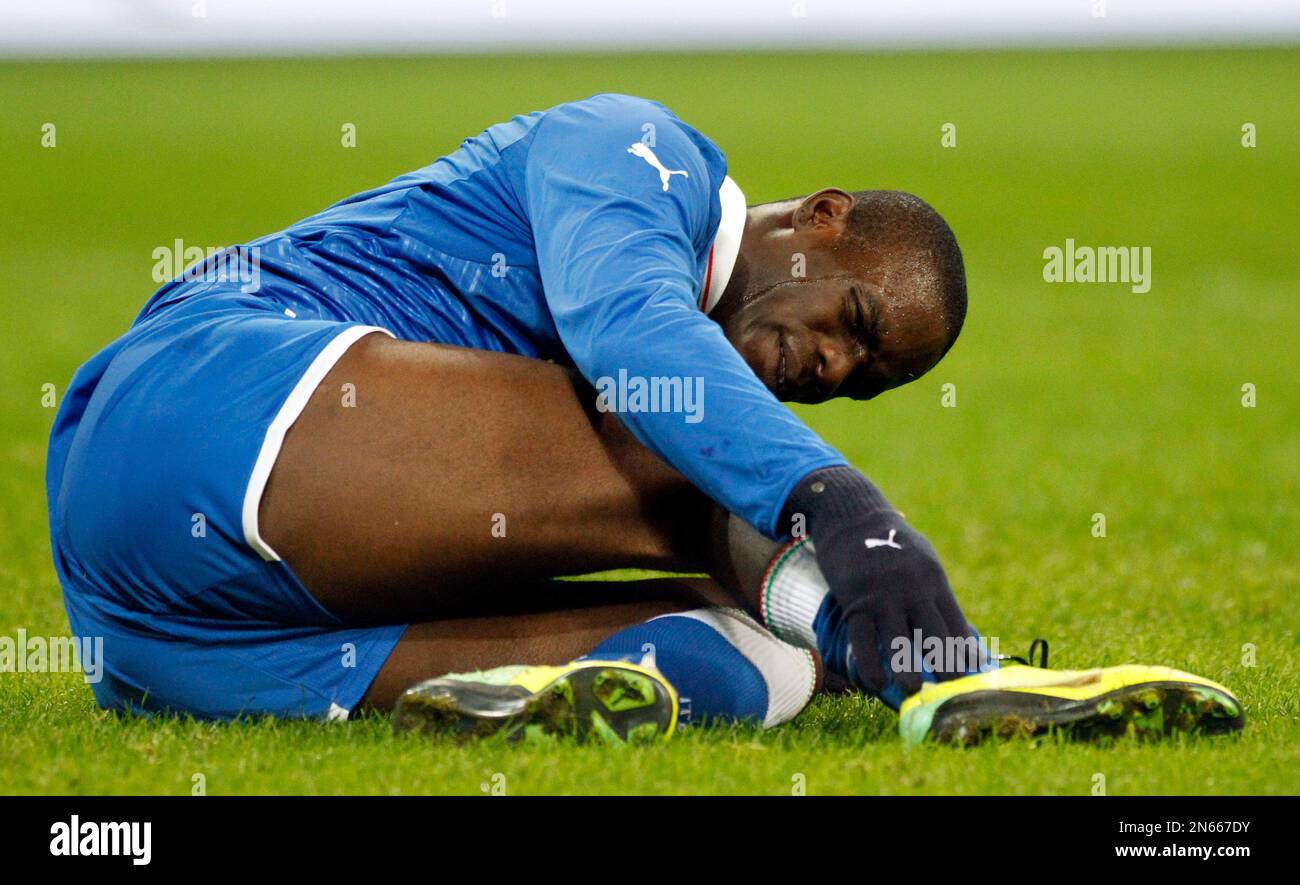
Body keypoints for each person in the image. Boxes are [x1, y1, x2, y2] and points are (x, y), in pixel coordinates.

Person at [46, 94, 1241, 744]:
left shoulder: (679, 394)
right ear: (820, 215)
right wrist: (843, 503)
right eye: (855, 321)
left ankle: (534, 691)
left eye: (858, 382)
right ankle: (944, 674)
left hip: (169, 626)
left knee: (758, 653)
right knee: (702, 481)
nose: (828, 367)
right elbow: (630, 331)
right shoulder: (636, 149)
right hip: (193, 397)